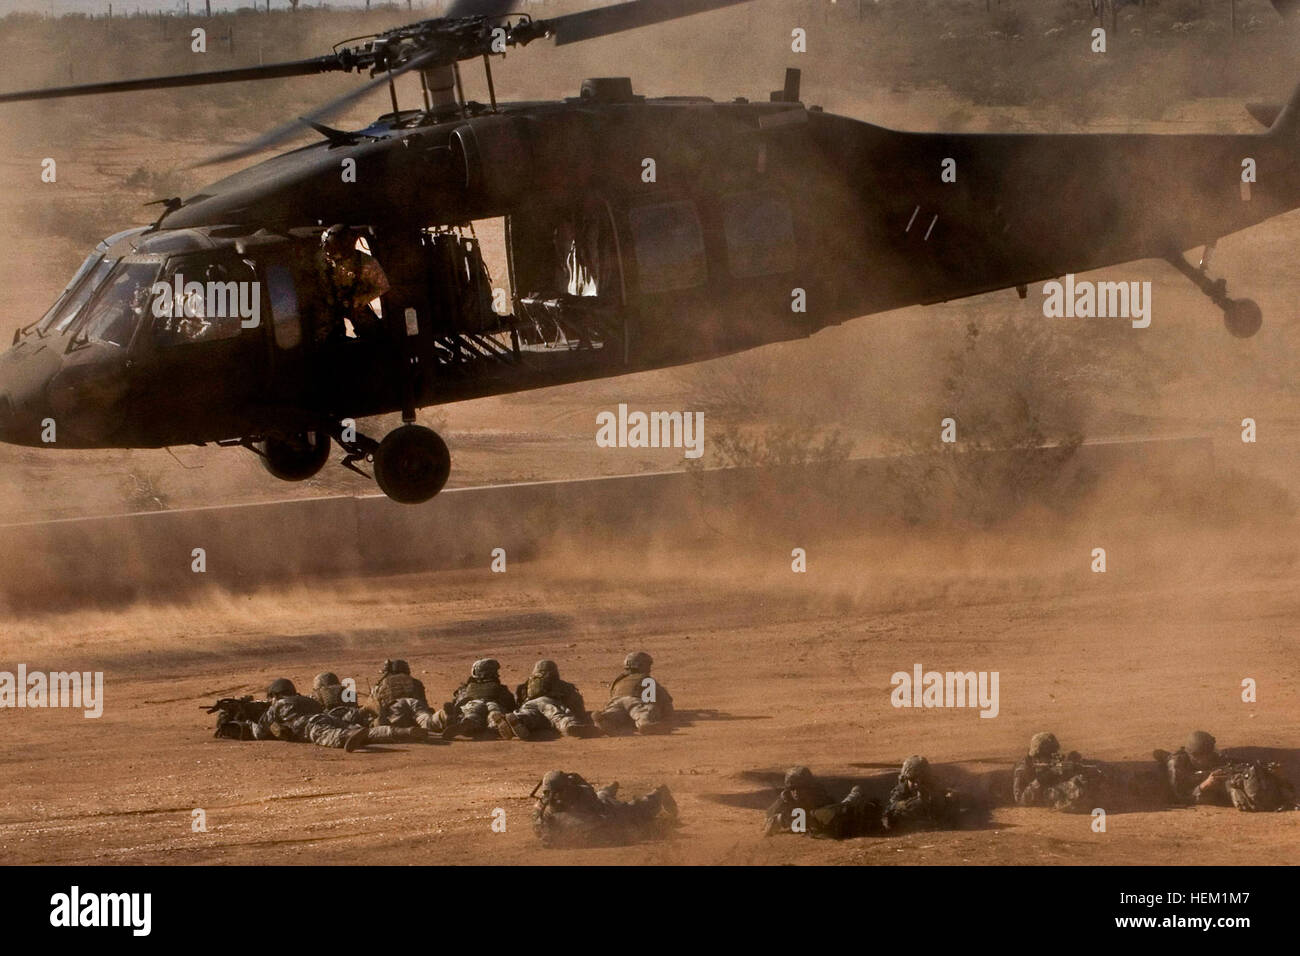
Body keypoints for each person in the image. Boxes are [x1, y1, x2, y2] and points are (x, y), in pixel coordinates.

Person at [531, 770, 677, 848]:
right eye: (551, 793)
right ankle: (610, 788)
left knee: (636, 809)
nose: (554, 797)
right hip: (601, 808)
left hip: (606, 808)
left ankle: (659, 793)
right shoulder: (546, 807)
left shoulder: (581, 797)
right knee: (604, 796)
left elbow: (598, 814)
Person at [242, 678, 370, 752]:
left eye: (271, 698)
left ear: (275, 695)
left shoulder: (278, 704)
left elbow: (259, 732)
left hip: (308, 725)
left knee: (327, 734)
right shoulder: (308, 699)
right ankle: (384, 734)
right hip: (327, 717)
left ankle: (348, 736)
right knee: (365, 732)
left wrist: (249, 722)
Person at [316, 223, 390, 343]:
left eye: (336, 252)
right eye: (329, 252)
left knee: (375, 337)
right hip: (329, 306)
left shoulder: (366, 262)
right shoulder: (321, 259)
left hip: (356, 304)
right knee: (326, 340)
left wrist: (363, 299)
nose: (333, 257)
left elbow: (383, 286)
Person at [763, 766, 878, 839]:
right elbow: (768, 816)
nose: (796, 792)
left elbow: (824, 819)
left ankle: (854, 797)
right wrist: (781, 805)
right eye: (792, 788)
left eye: (800, 788)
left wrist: (783, 820)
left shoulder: (818, 796)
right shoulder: (786, 797)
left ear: (808, 787)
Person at [500, 659, 594, 740]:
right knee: (558, 715)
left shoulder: (525, 685)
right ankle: (570, 726)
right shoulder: (562, 684)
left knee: (531, 716)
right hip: (548, 703)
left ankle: (519, 720)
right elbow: (576, 704)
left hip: (528, 705)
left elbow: (519, 702)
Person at [1012, 732, 1103, 813]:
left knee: (1081, 781)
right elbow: (1020, 800)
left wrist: (1071, 767)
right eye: (1049, 755)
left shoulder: (1049, 762)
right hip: (1040, 796)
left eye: (1054, 753)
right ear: (1037, 754)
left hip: (1049, 792)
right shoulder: (1022, 769)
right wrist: (1044, 778)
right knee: (1075, 791)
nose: (1053, 758)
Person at [592, 651, 674, 736]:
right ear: (640, 665)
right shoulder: (646, 679)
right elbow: (665, 699)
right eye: (647, 665)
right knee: (644, 711)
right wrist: (667, 719)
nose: (649, 669)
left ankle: (603, 721)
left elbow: (612, 695)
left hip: (615, 702)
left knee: (615, 714)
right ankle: (645, 723)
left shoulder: (618, 680)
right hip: (635, 702)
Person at [432, 658, 518, 739]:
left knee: (472, 715)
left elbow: (458, 701)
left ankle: (467, 723)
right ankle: (496, 725)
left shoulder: (467, 688)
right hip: (493, 704)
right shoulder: (500, 688)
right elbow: (510, 703)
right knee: (494, 714)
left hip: (473, 704)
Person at [881, 755, 960, 832]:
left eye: (923, 780)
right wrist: (913, 803)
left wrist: (948, 798)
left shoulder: (933, 785)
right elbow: (890, 810)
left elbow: (948, 793)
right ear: (906, 779)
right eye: (913, 780)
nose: (917, 784)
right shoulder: (900, 790)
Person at [371, 659, 440, 735]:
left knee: (391, 725)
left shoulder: (383, 683)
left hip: (397, 707)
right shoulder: (416, 682)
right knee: (426, 719)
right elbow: (424, 702)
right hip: (415, 703)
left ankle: (407, 731)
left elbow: (378, 706)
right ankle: (442, 717)